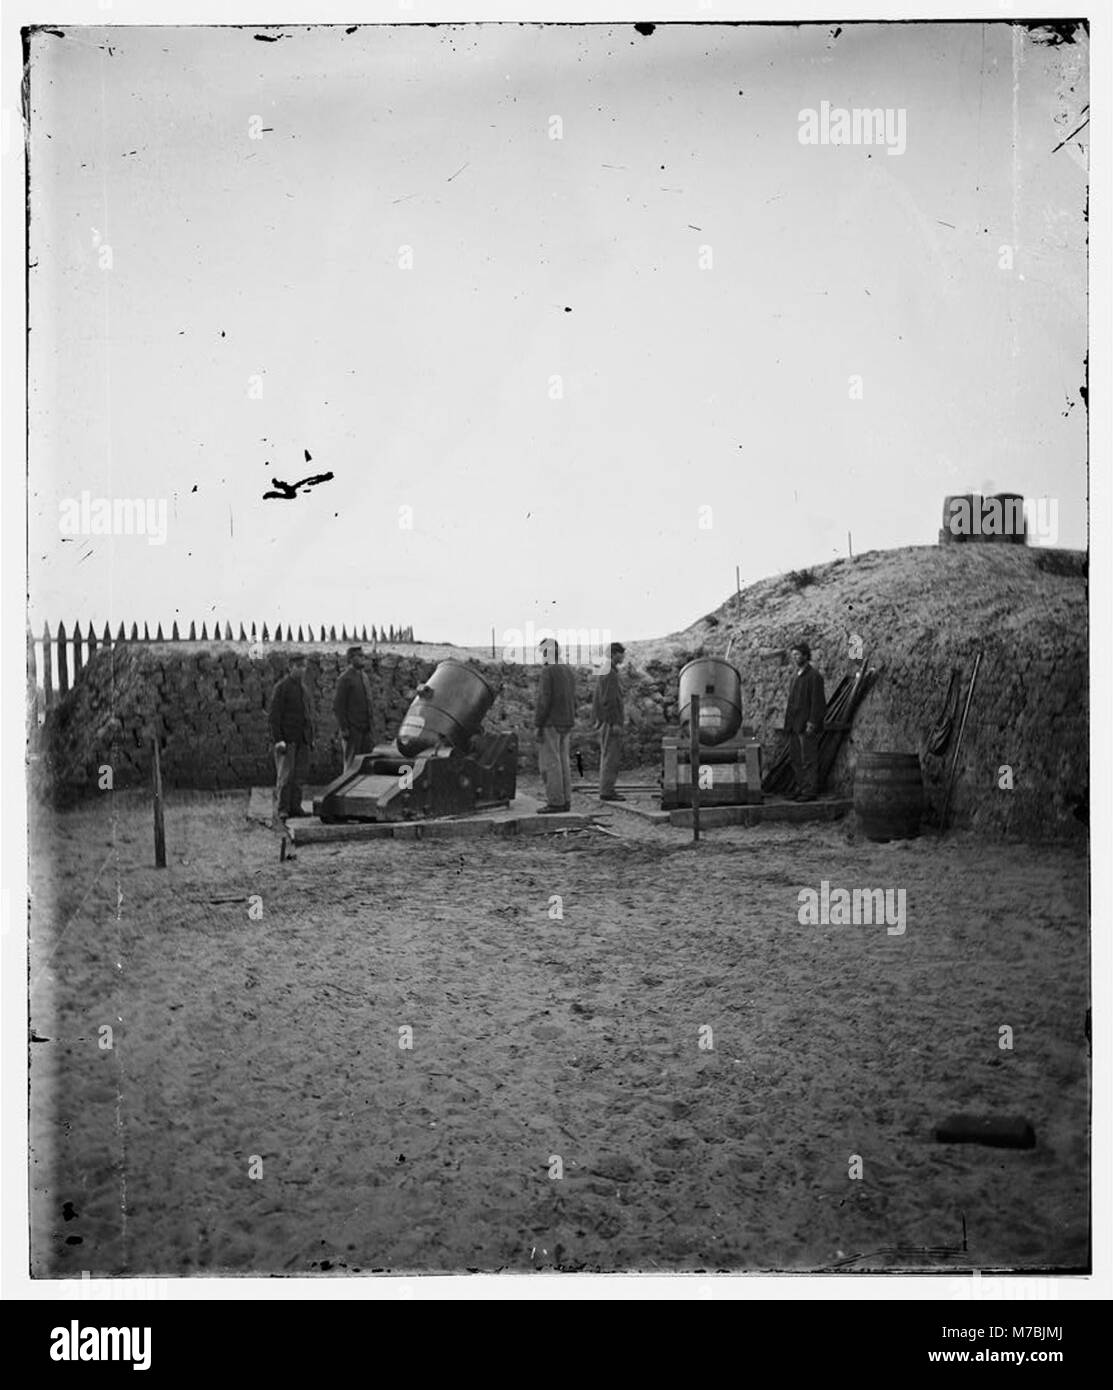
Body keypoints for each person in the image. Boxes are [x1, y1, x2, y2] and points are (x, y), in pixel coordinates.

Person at [269, 653, 314, 819]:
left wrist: (310, 737)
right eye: (298, 666)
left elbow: (308, 715)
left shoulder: (303, 689)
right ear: (290, 668)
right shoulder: (282, 688)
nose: (302, 670)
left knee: (299, 777)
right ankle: (282, 809)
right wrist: (278, 740)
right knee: (285, 777)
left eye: (304, 666)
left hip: (302, 739)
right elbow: (274, 716)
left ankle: (295, 807)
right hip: (288, 740)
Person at [534, 637, 577, 813]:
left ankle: (555, 802)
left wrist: (538, 723)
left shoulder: (548, 671)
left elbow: (544, 700)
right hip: (566, 721)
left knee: (550, 764)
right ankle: (565, 800)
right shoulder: (568, 670)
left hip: (551, 723)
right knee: (563, 763)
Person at [784, 640, 825, 801]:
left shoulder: (814, 677)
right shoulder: (795, 677)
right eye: (793, 655)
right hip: (794, 726)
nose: (795, 658)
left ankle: (809, 791)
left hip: (806, 726)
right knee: (796, 759)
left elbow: (818, 703)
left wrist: (812, 723)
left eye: (797, 655)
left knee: (809, 760)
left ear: (806, 656)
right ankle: (801, 788)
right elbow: (791, 702)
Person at [592, 641, 626, 801]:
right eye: (621, 653)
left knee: (608, 755)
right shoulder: (610, 673)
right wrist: (615, 723)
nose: (623, 656)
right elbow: (610, 700)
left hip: (606, 720)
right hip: (610, 721)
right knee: (611, 756)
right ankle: (607, 791)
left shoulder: (606, 670)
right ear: (614, 654)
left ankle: (606, 789)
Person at [333, 645, 375, 769]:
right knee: (351, 765)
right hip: (353, 730)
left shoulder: (364, 677)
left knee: (365, 764)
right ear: (351, 659)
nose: (363, 658)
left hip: (365, 729)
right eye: (360, 656)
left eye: (363, 656)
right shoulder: (345, 679)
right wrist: (344, 728)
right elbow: (338, 705)